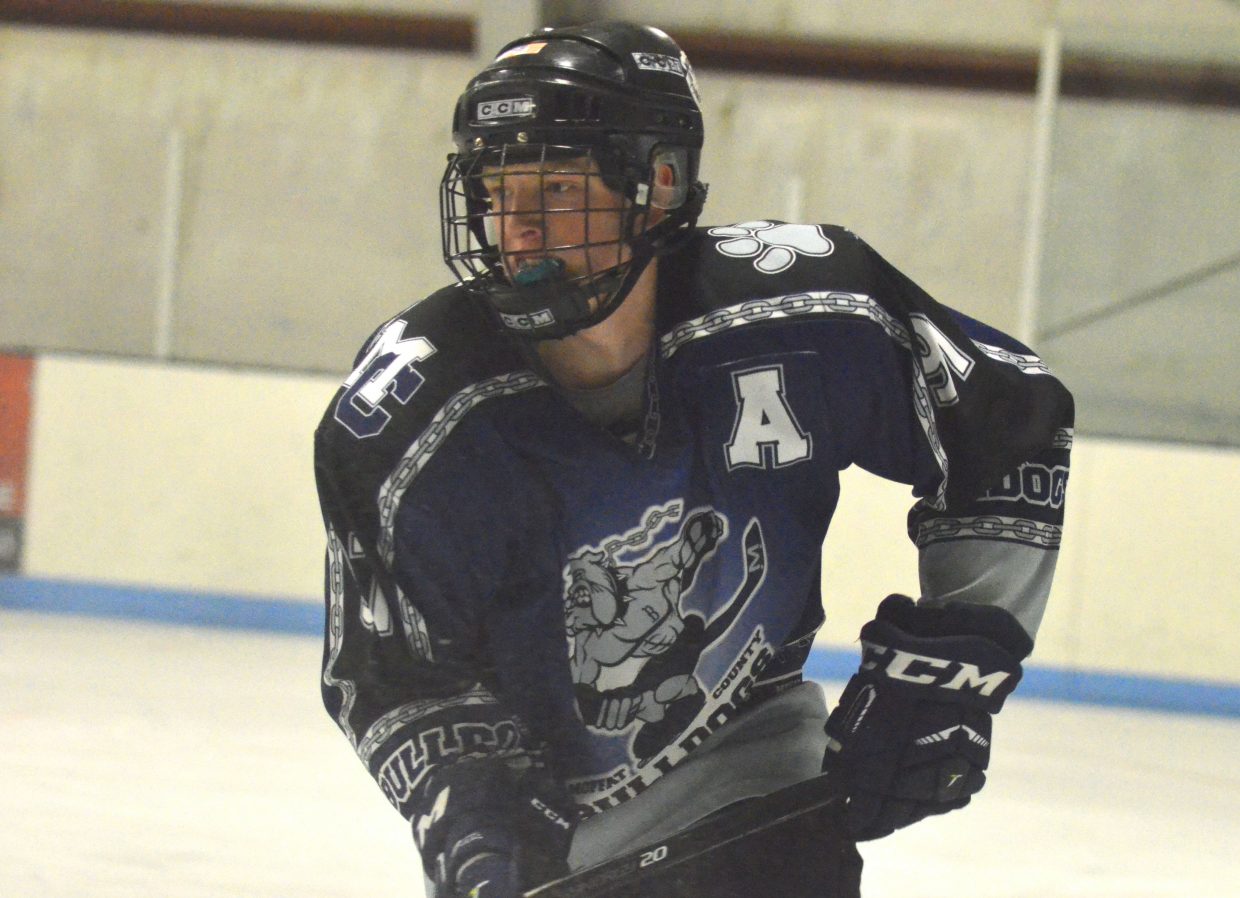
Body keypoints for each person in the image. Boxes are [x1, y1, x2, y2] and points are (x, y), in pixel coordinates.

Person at [314, 21, 1074, 898]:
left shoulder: (805, 313)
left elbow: (1005, 415)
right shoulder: (411, 423)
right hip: (568, 858)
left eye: (559, 189)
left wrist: (950, 668)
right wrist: (473, 812)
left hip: (764, 808)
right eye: (496, 189)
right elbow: (391, 667)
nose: (518, 233)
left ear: (660, 185)